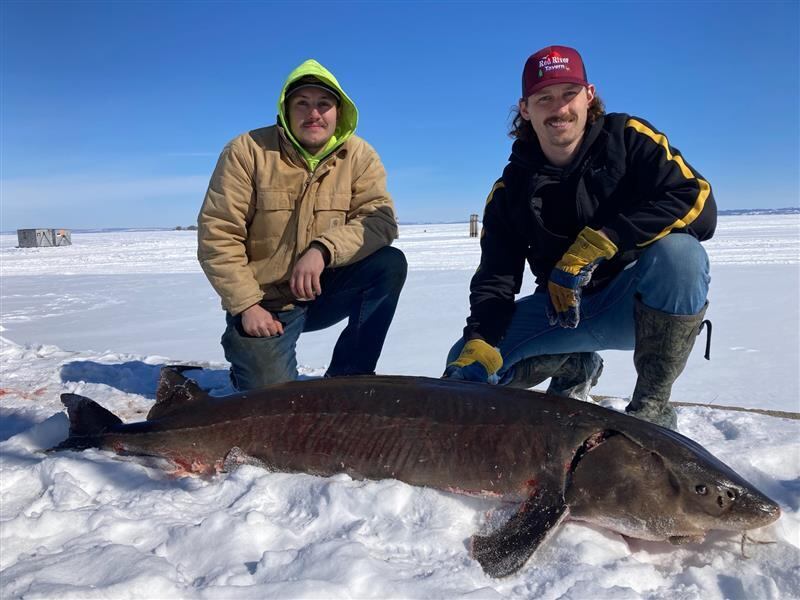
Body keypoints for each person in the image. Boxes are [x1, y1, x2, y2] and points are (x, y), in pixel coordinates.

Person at [443, 45, 716, 430]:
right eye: (544, 98)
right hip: (561, 313)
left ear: (589, 95)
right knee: (466, 369)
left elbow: (698, 201)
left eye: (568, 94)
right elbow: (496, 277)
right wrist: (480, 337)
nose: (559, 109)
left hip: (635, 308)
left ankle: (651, 408)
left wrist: (605, 239)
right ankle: (575, 362)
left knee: (682, 255)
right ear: (525, 109)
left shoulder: (629, 138)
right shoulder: (510, 190)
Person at [198, 59, 407, 391]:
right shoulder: (247, 151)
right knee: (273, 400)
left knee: (389, 264)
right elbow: (218, 234)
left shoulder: (359, 155)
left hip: (324, 289)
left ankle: (348, 380)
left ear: (338, 112)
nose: (314, 113)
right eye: (302, 103)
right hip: (265, 303)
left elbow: (379, 220)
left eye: (324, 104)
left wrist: (324, 249)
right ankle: (248, 364)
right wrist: (246, 305)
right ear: (286, 109)